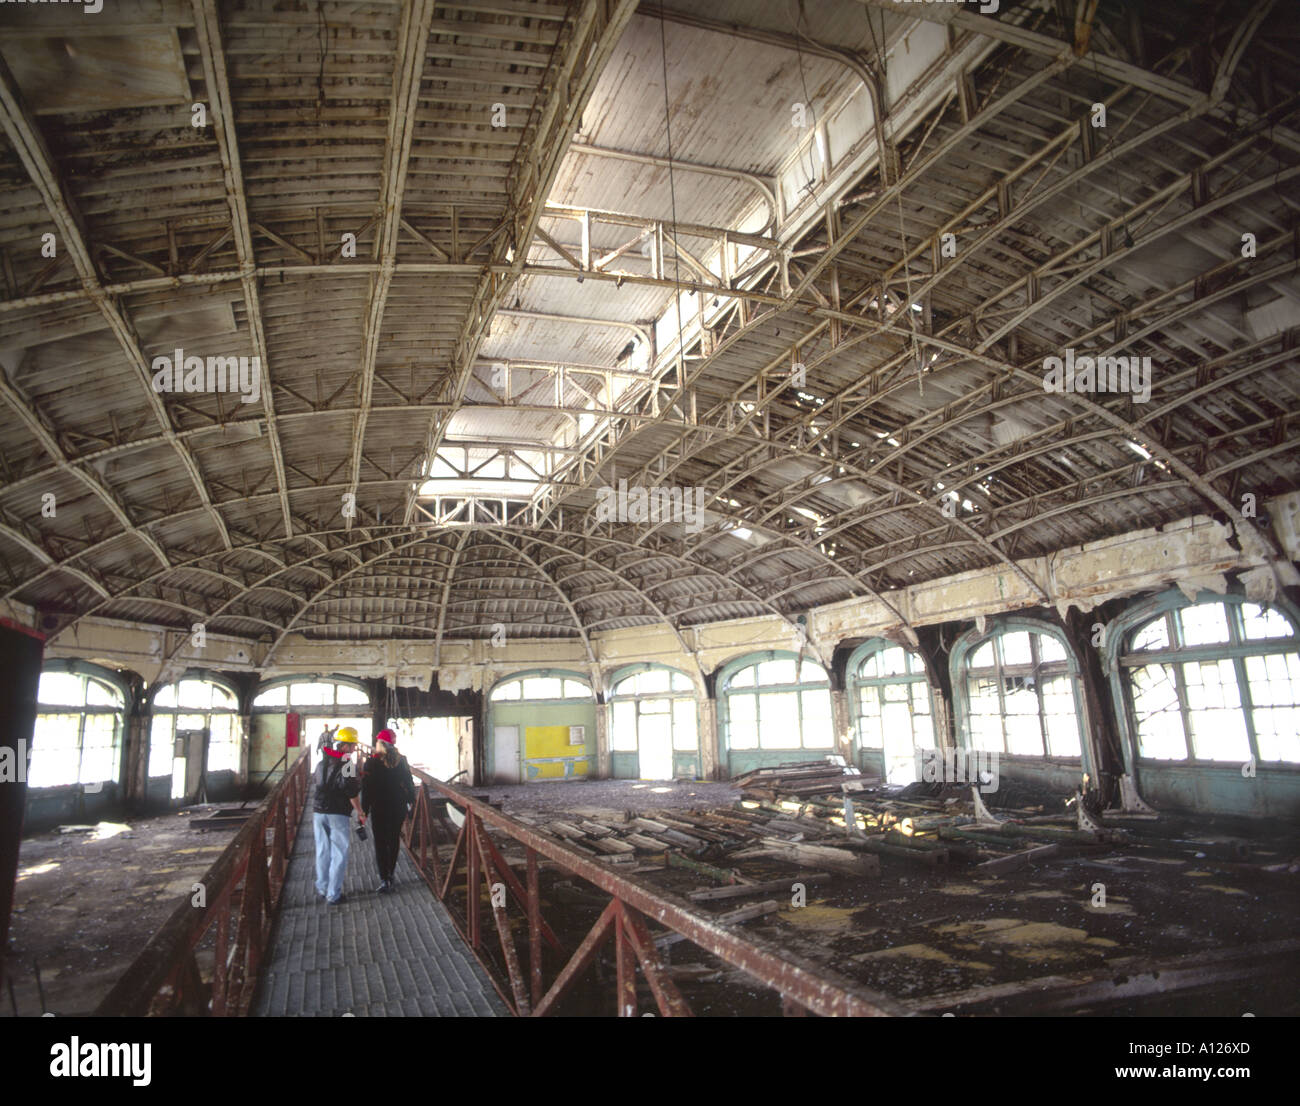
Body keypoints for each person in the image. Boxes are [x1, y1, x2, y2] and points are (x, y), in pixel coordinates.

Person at [313, 726, 365, 905]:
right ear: (345, 746)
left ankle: (322, 887)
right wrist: (360, 811)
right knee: (339, 853)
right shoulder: (347, 764)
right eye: (352, 746)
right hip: (337, 813)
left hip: (318, 812)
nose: (354, 749)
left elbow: (318, 783)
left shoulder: (321, 763)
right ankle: (333, 894)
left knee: (322, 850)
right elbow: (351, 791)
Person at [360, 728, 415, 894]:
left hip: (379, 807)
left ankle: (384, 878)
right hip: (397, 807)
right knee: (393, 840)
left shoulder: (371, 763)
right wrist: (410, 802)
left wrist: (364, 811)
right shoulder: (402, 760)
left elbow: (366, 789)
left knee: (380, 843)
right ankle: (390, 873)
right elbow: (409, 783)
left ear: (380, 744)